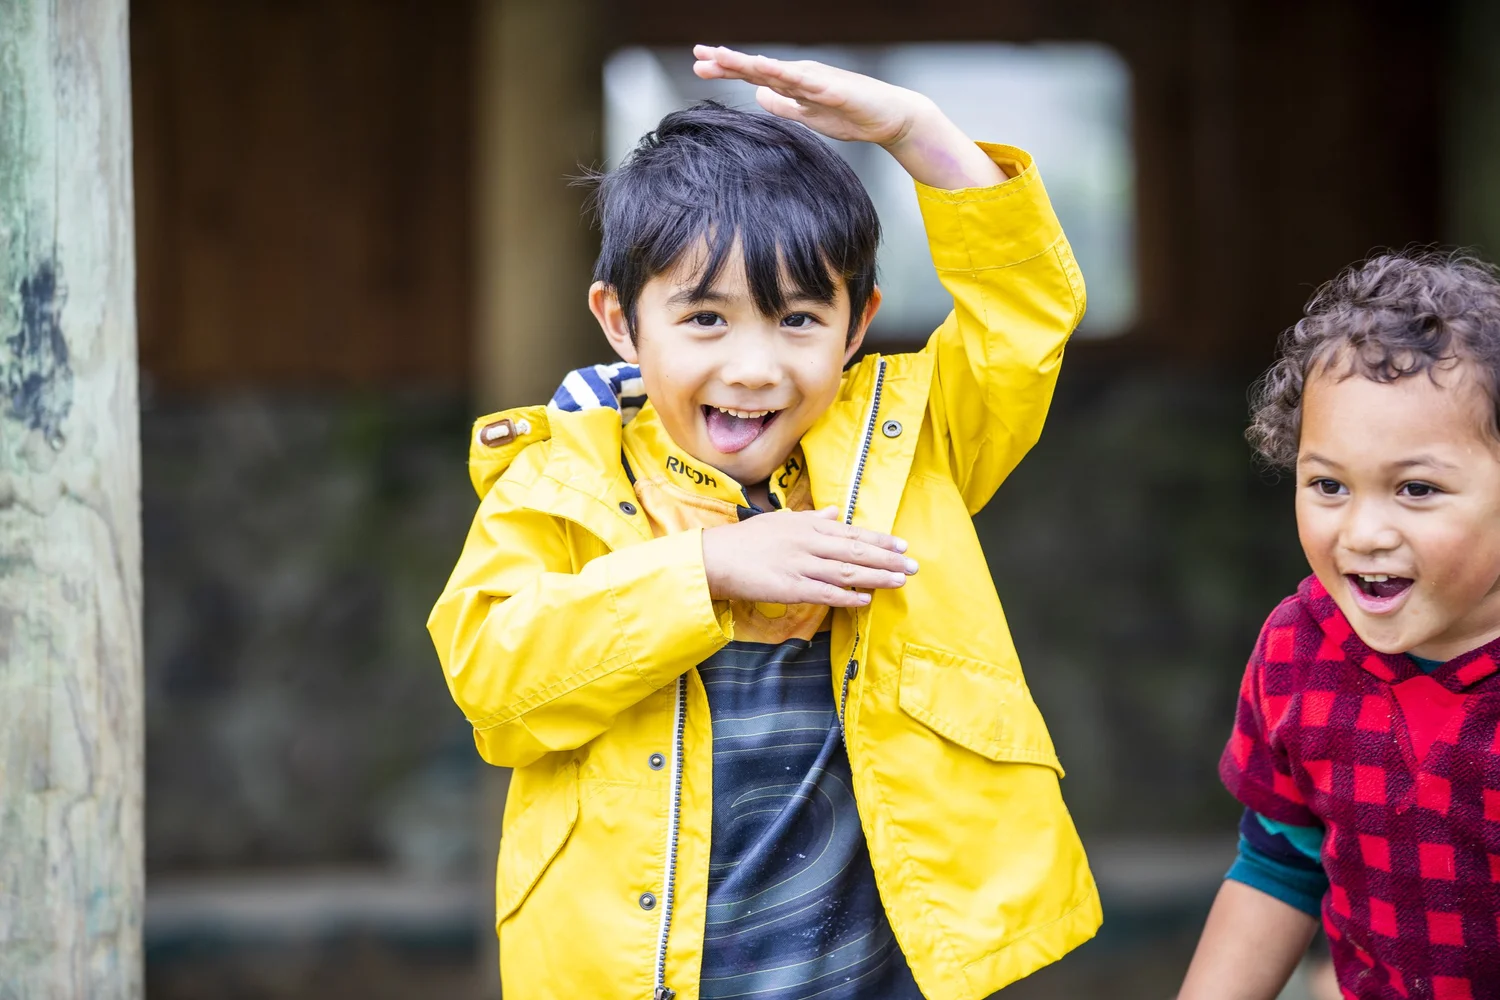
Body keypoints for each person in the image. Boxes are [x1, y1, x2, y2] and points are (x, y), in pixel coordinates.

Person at [428, 45, 1099, 1000]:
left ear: (857, 323)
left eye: (796, 320)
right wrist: (706, 568)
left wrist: (918, 133)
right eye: (705, 319)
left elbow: (1023, 314)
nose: (753, 367)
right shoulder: (553, 478)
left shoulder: (912, 443)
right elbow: (493, 678)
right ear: (619, 321)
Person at [1179, 252, 1500, 999]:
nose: (1362, 533)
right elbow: (1280, 863)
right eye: (1328, 485)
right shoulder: (1299, 649)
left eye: (1416, 489)